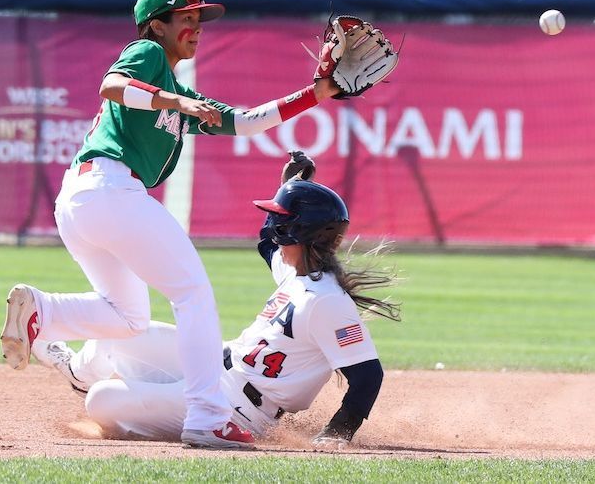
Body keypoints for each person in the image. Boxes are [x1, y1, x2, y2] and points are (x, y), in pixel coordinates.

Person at [0, 0, 343, 450]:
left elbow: (245, 121)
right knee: (193, 292)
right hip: (110, 189)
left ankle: (43, 311)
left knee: (128, 316)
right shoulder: (148, 54)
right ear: (156, 25)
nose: (196, 28)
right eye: (186, 19)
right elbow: (112, 86)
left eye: (199, 20)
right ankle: (206, 415)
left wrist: (318, 92)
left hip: (85, 199)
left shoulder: (174, 85)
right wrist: (175, 102)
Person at [37, 152, 402, 448]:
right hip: (215, 365)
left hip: (239, 410)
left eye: (281, 218)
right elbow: (265, 244)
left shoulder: (327, 301)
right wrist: (288, 186)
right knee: (116, 334)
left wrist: (335, 435)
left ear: (299, 231)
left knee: (102, 401)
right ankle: (81, 373)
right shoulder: (298, 274)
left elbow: (368, 375)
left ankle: (140, 396)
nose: (274, 225)